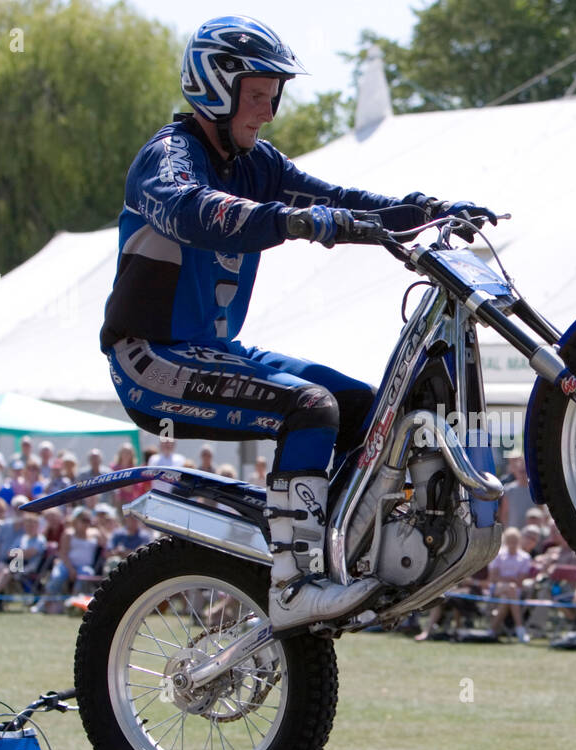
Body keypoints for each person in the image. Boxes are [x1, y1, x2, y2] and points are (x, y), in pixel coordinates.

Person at [99, 15, 495, 631]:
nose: (268, 110)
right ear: (213, 87)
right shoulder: (167, 157)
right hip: (150, 358)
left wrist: (424, 210)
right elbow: (196, 211)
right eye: (256, 95)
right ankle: (292, 581)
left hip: (213, 353)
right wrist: (295, 223)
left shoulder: (259, 163)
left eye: (273, 95)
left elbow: (335, 198)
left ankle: (342, 548)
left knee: (363, 407)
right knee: (309, 407)